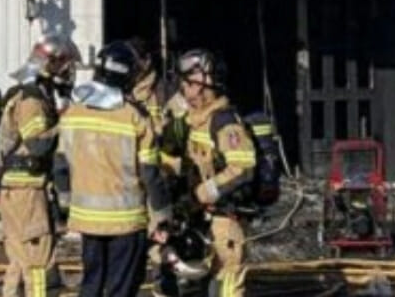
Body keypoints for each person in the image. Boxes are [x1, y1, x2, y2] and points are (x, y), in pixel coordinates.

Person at [54, 40, 172, 297]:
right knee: (122, 289)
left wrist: (65, 207)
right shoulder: (135, 117)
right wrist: (163, 217)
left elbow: (61, 166)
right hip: (127, 222)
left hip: (88, 221)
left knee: (91, 285)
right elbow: (150, 174)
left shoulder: (73, 113)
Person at [0, 32, 81, 297]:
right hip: (28, 191)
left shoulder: (25, 93)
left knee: (20, 260)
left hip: (16, 190)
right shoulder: (32, 99)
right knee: (38, 263)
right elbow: (37, 145)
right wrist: (64, 122)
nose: (68, 73)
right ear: (51, 64)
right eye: (65, 66)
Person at [177, 48, 256, 297]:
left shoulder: (225, 122)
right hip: (203, 219)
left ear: (207, 84)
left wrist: (202, 193)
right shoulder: (196, 121)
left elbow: (242, 169)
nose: (185, 90)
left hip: (225, 221)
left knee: (227, 283)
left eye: (190, 84)